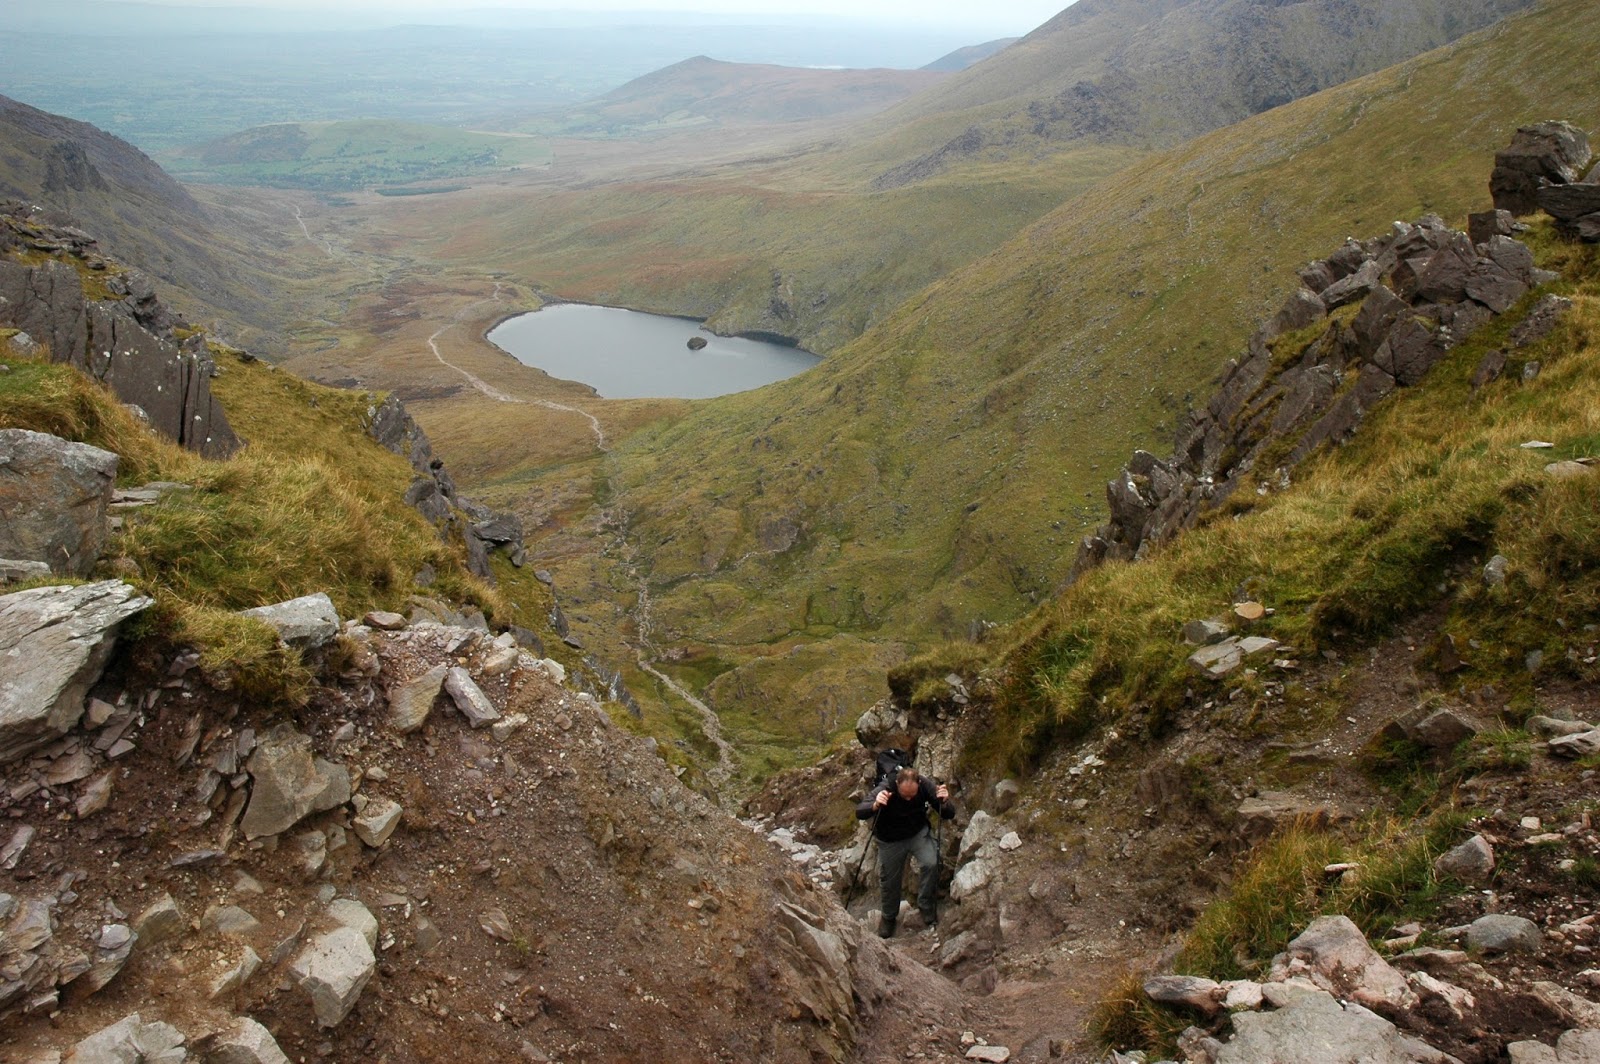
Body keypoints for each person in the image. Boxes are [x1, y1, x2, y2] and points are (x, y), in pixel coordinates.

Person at [855, 766, 955, 938]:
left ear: (919, 783)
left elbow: (948, 814)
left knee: (931, 863)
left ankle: (925, 905)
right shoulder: (886, 788)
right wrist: (875, 804)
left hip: (917, 834)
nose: (909, 798)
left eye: (912, 795)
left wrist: (944, 802)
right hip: (890, 840)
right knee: (890, 879)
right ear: (897, 784)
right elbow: (860, 811)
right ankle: (888, 917)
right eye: (904, 795)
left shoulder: (925, 785)